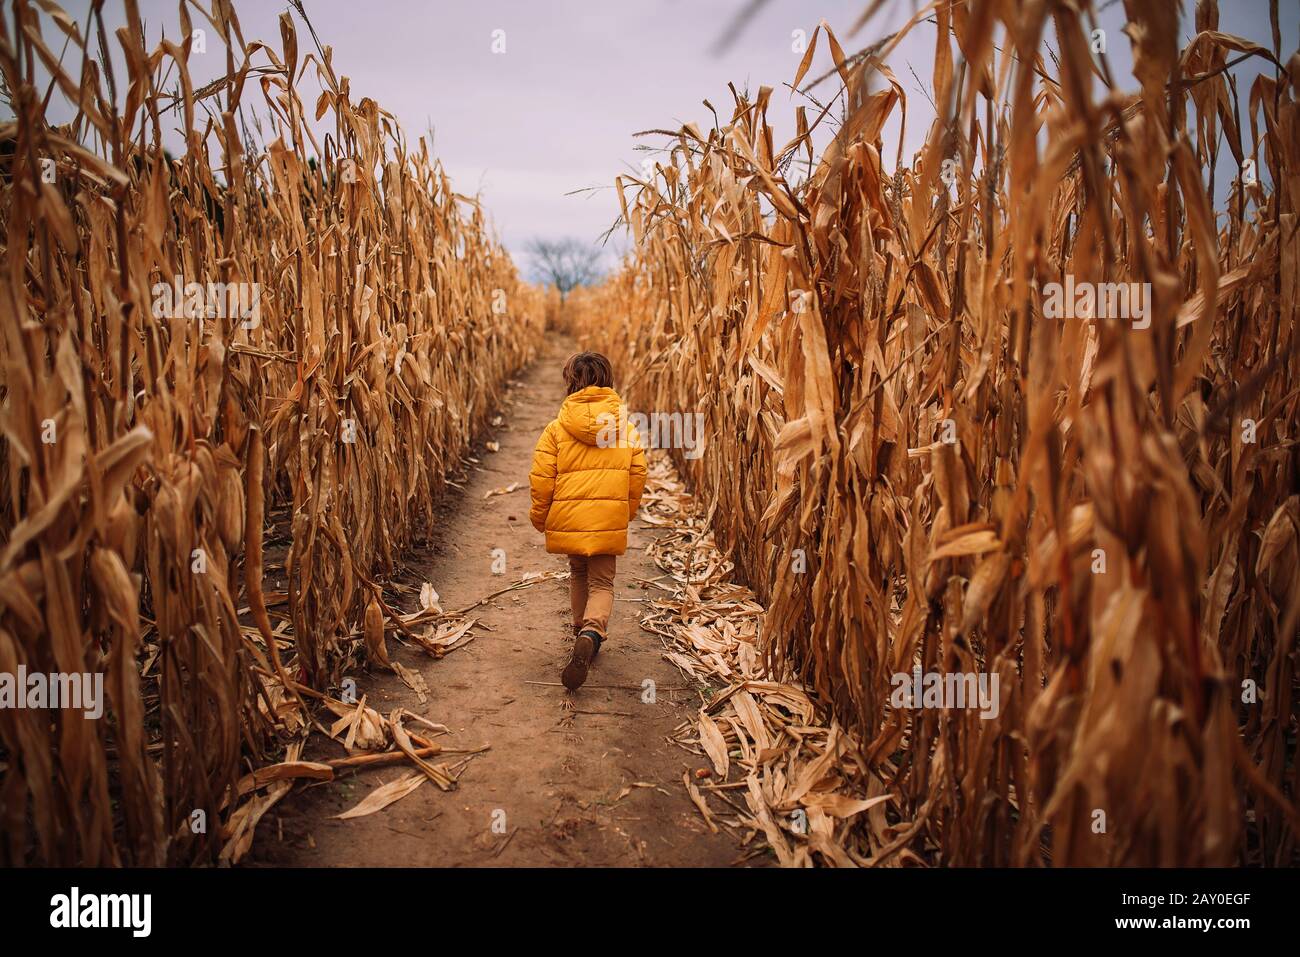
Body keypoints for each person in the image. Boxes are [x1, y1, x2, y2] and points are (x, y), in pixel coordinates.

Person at [528, 352, 647, 690]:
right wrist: (625, 512)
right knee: (602, 583)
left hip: (569, 518)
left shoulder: (556, 429)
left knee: (578, 572)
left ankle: (580, 629)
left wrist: (541, 517)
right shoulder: (624, 427)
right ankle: (592, 631)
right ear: (608, 380)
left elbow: (541, 478)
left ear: (571, 382)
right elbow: (638, 473)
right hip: (607, 517)